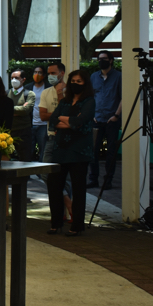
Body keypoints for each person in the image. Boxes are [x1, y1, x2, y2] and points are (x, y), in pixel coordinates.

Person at [46, 70, 96, 236]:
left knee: (78, 189)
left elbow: (81, 121)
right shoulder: (65, 101)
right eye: (73, 81)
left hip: (79, 151)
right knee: (54, 186)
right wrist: (70, 122)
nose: (75, 84)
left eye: (79, 81)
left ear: (85, 83)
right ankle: (56, 223)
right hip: (60, 149)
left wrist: (64, 119)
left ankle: (77, 226)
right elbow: (53, 120)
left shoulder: (89, 101)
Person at [88, 50, 122, 189]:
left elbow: (123, 97)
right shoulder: (94, 77)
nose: (101, 61)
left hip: (111, 120)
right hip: (96, 119)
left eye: (104, 59)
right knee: (93, 151)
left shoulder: (119, 76)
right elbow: (90, 96)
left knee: (111, 152)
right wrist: (92, 114)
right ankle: (93, 179)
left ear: (111, 60)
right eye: (99, 59)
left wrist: (116, 115)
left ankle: (108, 181)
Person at [7, 69, 36, 161]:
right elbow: (1, 110)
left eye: (16, 78)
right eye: (12, 78)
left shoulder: (29, 94)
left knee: (25, 159)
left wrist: (9, 110)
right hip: (8, 131)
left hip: (24, 131)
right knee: (6, 159)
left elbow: (26, 110)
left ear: (23, 80)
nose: (13, 80)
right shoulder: (5, 93)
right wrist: (18, 109)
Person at [30, 65, 48, 164]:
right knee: (29, 150)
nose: (37, 74)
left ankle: (41, 170)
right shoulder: (28, 87)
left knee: (43, 150)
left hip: (43, 124)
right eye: (35, 72)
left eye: (40, 72)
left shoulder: (49, 87)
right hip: (31, 123)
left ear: (44, 75)